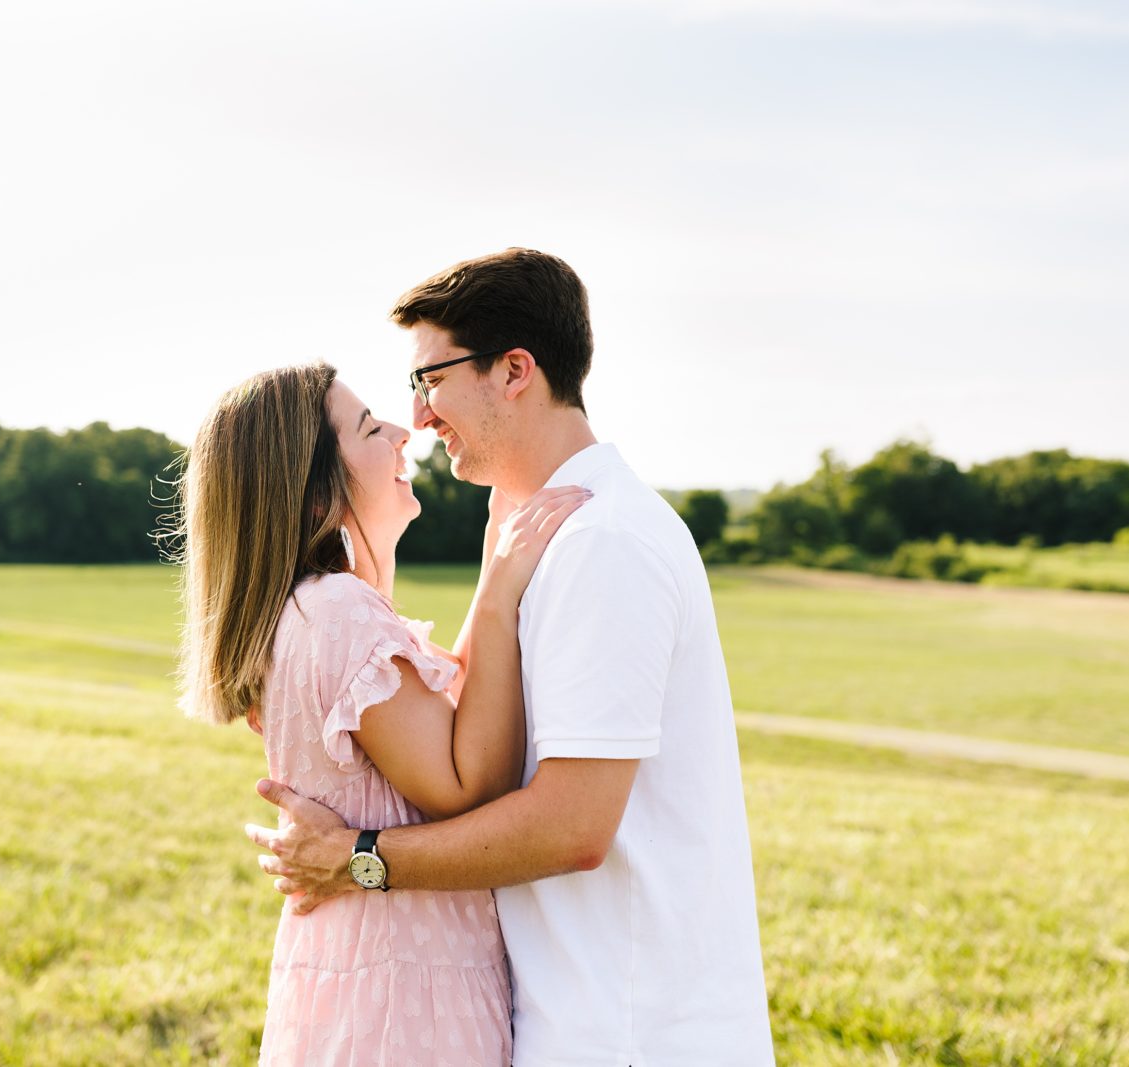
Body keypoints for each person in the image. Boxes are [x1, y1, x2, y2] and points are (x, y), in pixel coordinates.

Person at [247, 249, 776, 1065]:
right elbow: (463, 730)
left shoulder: (603, 543)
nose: (419, 415)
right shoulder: (554, 538)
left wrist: (357, 859)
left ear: (514, 370)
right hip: (585, 1019)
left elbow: (571, 828)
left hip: (629, 1032)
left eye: (431, 379)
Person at [180, 361, 589, 1064]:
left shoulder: (316, 612)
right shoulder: (338, 612)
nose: (404, 430)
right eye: (370, 428)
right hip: (405, 1005)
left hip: (370, 980)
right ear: (316, 499)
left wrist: (496, 546)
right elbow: (470, 783)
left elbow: (445, 719)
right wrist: (495, 596)